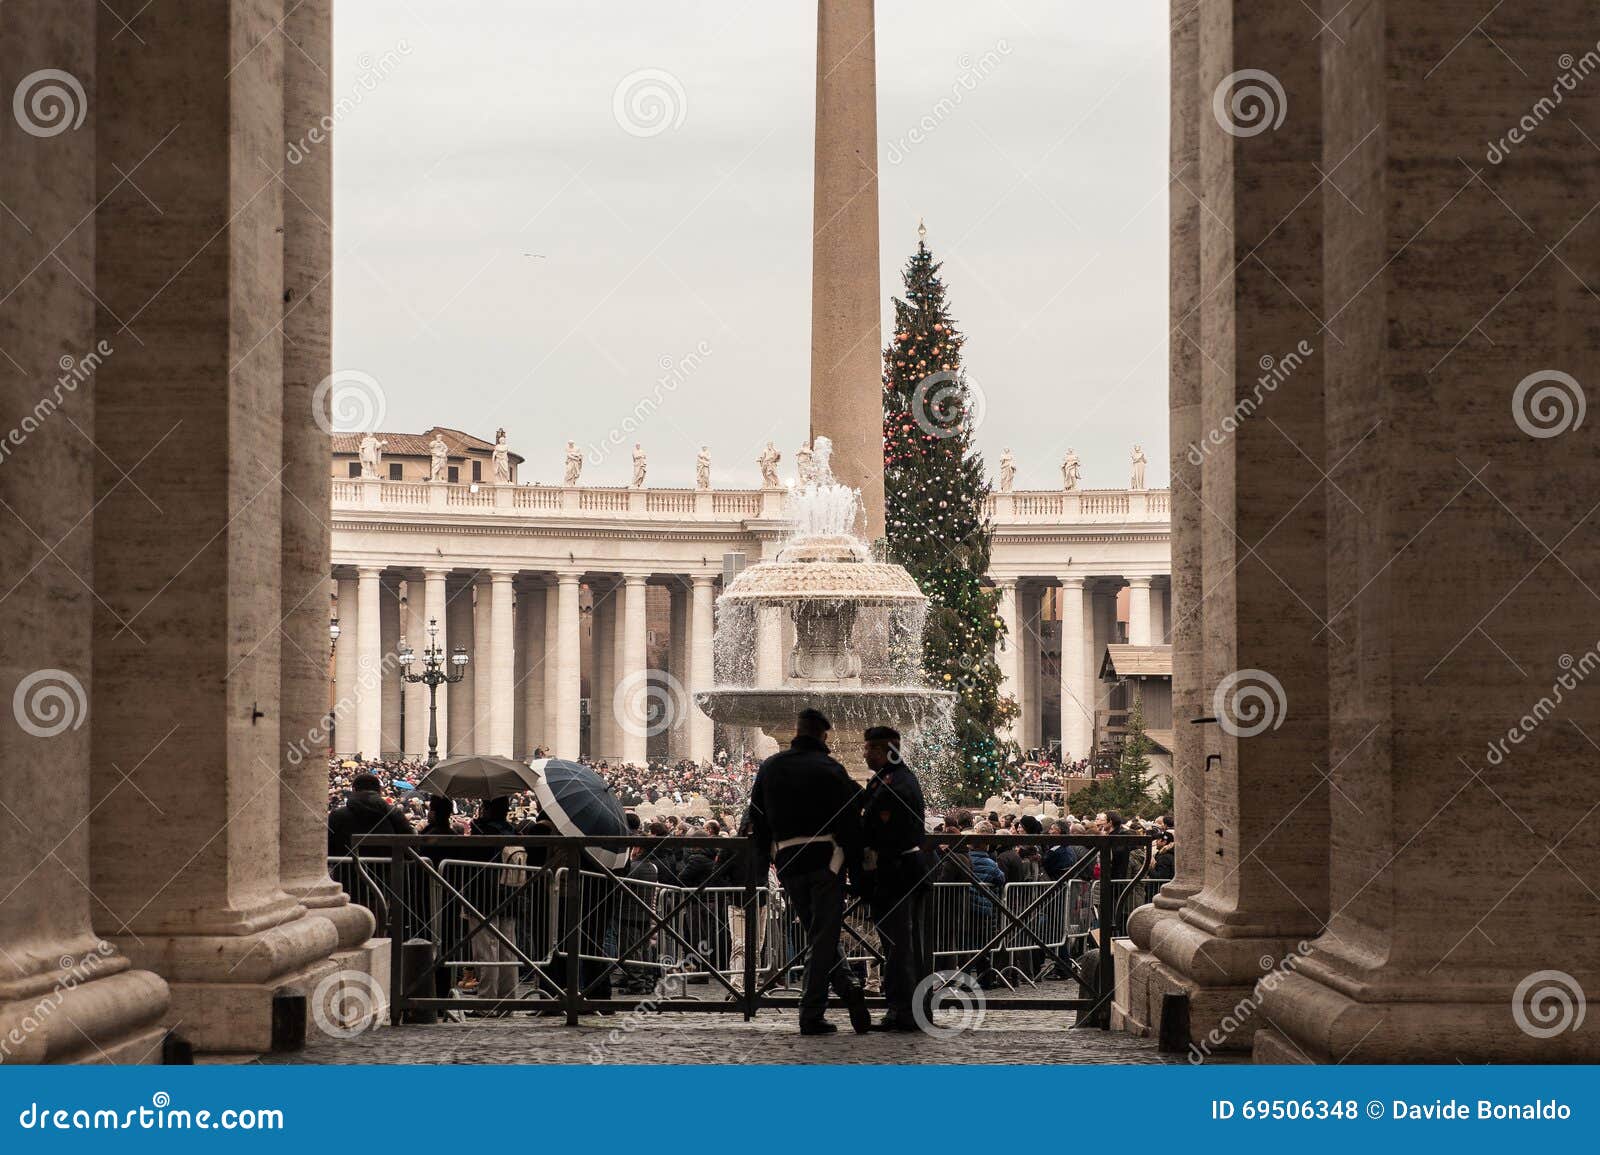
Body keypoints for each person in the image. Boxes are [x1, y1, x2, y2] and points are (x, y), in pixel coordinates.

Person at [743, 708, 870, 1036]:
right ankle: (811, 1012)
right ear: (823, 735)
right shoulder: (829, 768)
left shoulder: (771, 767)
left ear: (797, 731)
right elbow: (852, 818)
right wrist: (857, 871)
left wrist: (759, 867)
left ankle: (848, 990)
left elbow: (755, 817)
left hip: (786, 861)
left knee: (819, 934)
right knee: (823, 936)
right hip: (825, 860)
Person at [857, 726, 928, 1032]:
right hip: (893, 870)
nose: (864, 753)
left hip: (897, 870)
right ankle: (901, 1008)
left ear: (888, 750)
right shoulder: (886, 778)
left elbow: (884, 829)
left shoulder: (896, 781)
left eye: (870, 748)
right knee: (894, 945)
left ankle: (904, 1011)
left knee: (899, 946)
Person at [327, 772, 412, 855]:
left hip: (347, 867)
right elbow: (411, 846)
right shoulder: (394, 813)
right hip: (388, 868)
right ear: (379, 791)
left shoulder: (337, 815)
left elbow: (327, 846)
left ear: (353, 790)